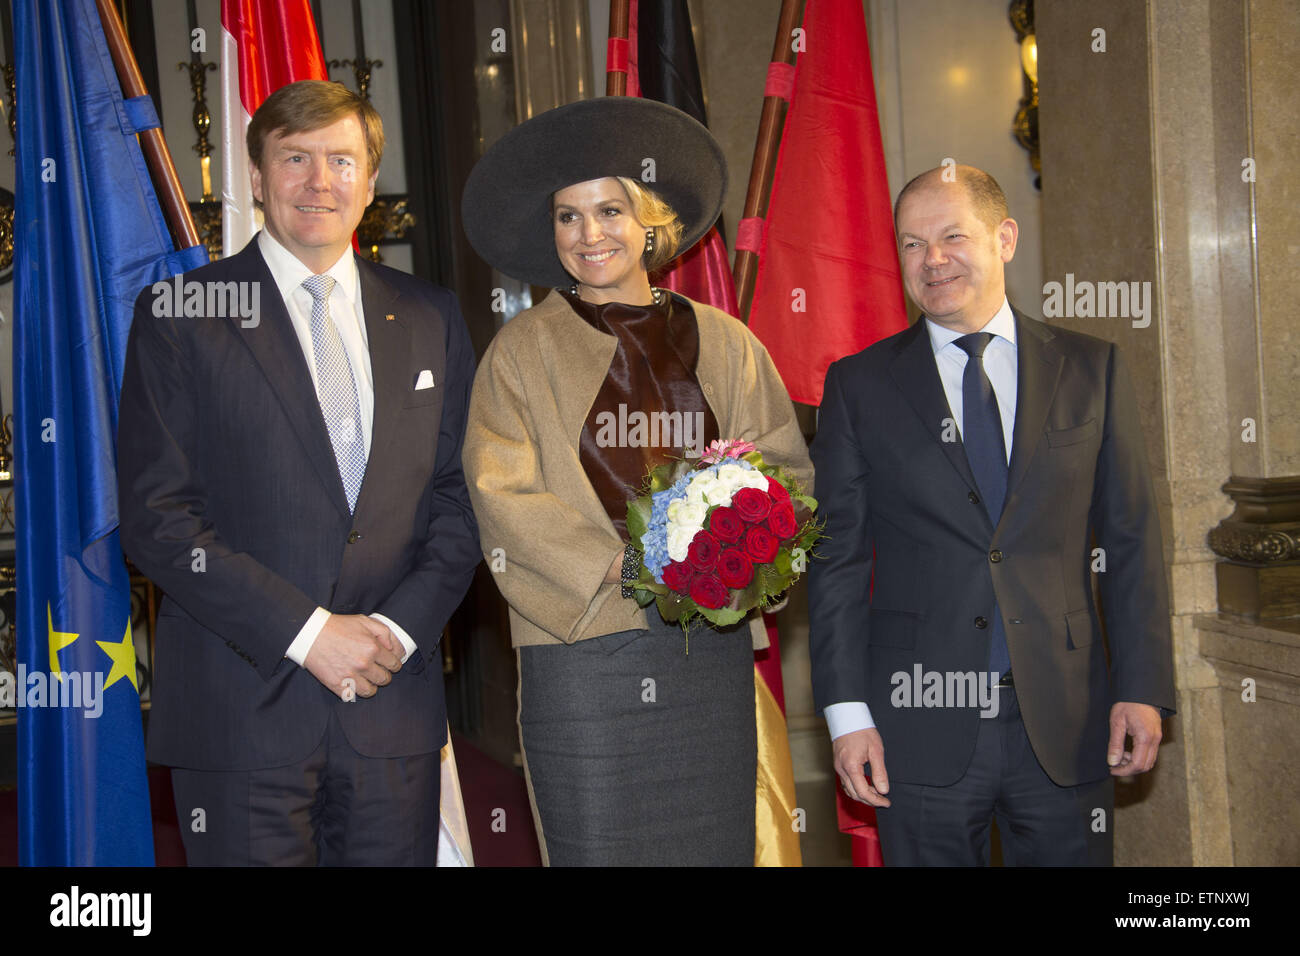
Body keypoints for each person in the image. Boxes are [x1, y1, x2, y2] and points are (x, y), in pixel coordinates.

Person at [117, 80, 479, 865]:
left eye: (341, 160)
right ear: (256, 176)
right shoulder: (181, 314)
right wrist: (310, 634)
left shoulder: (430, 316)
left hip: (393, 705)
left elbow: (458, 501)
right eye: (295, 159)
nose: (320, 181)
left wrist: (393, 632)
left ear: (369, 182)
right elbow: (157, 519)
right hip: (241, 711)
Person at [460, 97, 812, 866]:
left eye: (610, 210)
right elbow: (500, 495)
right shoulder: (520, 354)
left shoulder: (726, 340)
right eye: (568, 217)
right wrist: (630, 563)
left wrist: (742, 557)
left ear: (648, 218)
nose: (590, 235)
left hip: (709, 650)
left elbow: (785, 474)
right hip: (584, 653)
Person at [808, 164, 1175, 866]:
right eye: (911, 244)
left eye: (952, 236)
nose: (932, 259)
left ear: (1004, 238)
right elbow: (838, 564)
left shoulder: (1091, 368)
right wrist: (847, 714)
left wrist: (1141, 688)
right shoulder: (859, 385)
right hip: (915, 725)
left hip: (1068, 722)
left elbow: (1132, 542)